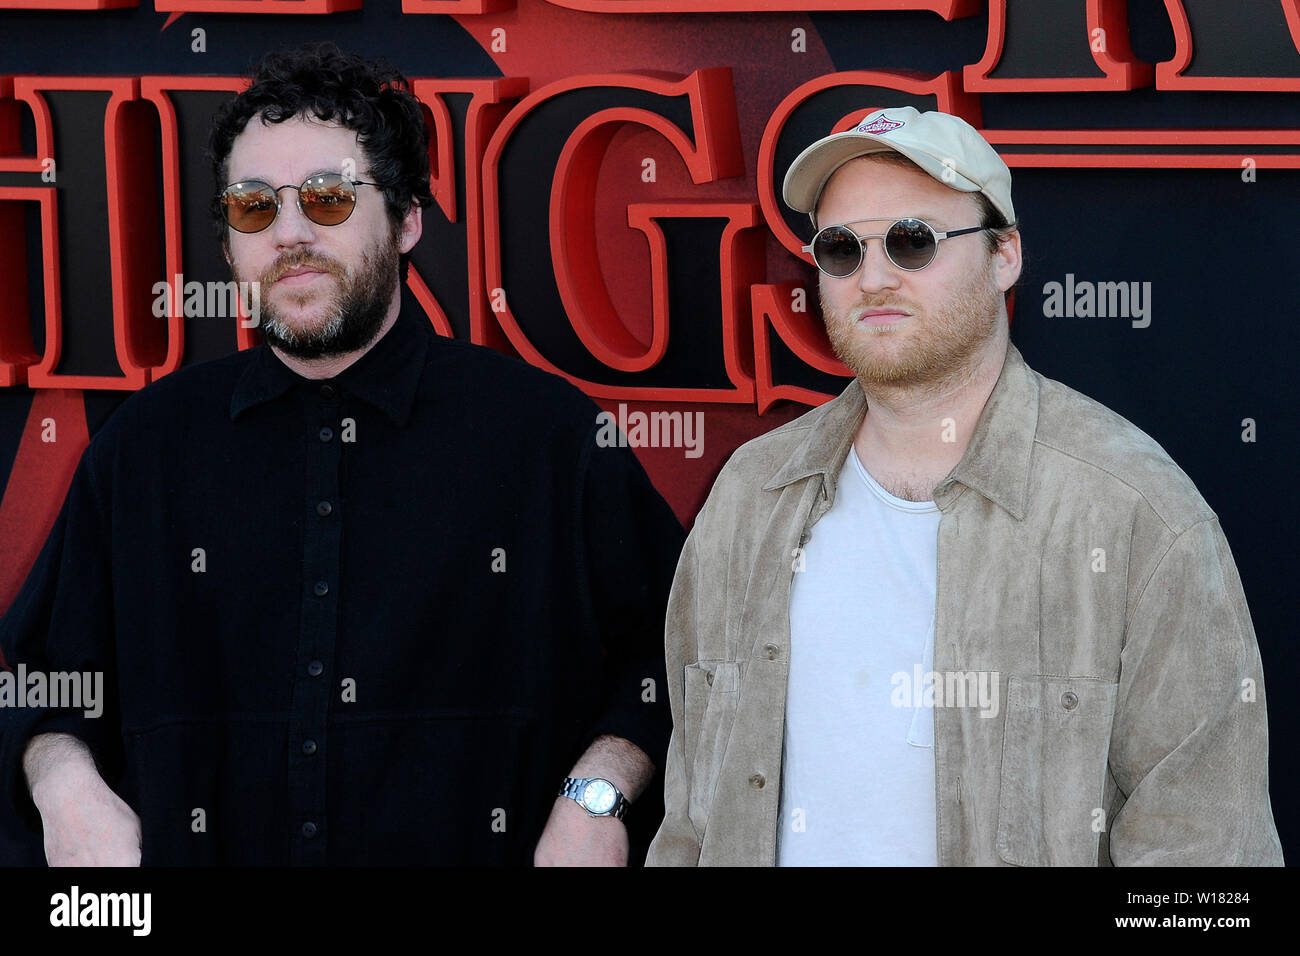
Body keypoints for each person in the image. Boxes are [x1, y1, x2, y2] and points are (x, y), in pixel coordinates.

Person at [0, 44, 683, 866]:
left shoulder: (551, 439)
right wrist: (62, 784)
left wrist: (597, 800)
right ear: (227, 245)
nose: (290, 233)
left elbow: (676, 663)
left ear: (405, 219)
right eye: (254, 207)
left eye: (327, 197)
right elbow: (47, 685)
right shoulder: (140, 451)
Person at [645, 107, 1284, 866]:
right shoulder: (752, 495)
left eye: (913, 241)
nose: (873, 277)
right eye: (841, 248)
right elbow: (689, 818)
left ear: (1005, 254)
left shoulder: (1132, 511)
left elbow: (1207, 856)